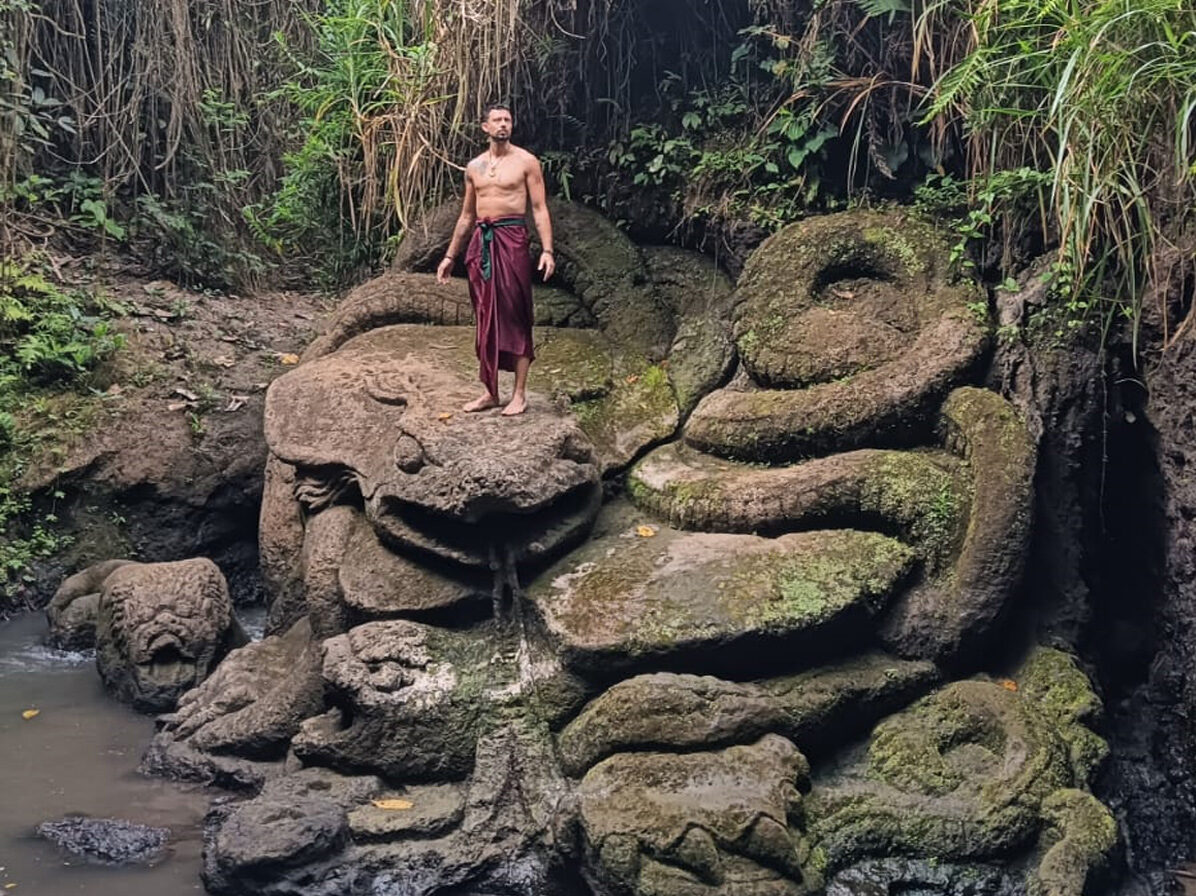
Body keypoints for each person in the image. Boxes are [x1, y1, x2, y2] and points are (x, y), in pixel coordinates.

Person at [436, 103, 555, 416]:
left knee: (516, 313)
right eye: (497, 120)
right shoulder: (473, 167)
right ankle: (490, 392)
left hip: (512, 239)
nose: (503, 124)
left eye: (507, 120)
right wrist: (450, 256)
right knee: (485, 314)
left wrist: (547, 250)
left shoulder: (527, 162)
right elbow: (466, 216)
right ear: (485, 127)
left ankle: (519, 394)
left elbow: (539, 208)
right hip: (482, 242)